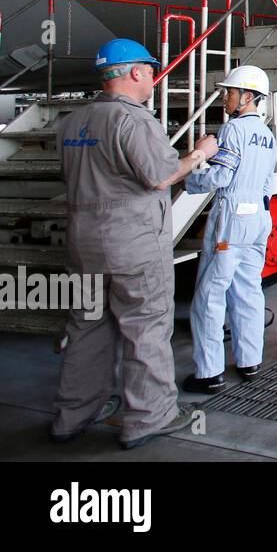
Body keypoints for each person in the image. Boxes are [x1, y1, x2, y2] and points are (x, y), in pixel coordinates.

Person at [52, 38, 212, 450]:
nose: (154, 80)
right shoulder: (134, 121)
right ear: (137, 72)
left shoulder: (72, 122)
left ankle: (73, 415)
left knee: (86, 328)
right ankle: (148, 418)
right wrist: (198, 153)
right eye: (152, 71)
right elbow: (160, 176)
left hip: (82, 246)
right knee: (145, 328)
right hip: (132, 246)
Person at [182, 65, 277, 395]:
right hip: (259, 218)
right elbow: (267, 183)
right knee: (248, 289)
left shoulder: (233, 130)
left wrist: (187, 176)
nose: (225, 98)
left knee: (210, 294)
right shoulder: (267, 134)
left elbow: (220, 177)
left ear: (248, 97)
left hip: (232, 217)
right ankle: (250, 360)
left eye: (230, 93)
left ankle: (209, 373)